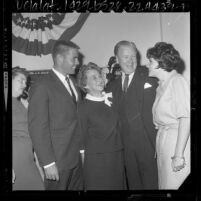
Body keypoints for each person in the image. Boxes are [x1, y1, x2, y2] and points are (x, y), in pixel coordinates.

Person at [28, 40, 83, 190]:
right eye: (74, 58)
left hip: (77, 160)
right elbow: (37, 127)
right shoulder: (42, 85)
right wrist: (48, 163)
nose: (78, 62)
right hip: (57, 162)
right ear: (59, 58)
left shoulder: (72, 82)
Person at [106, 40, 158, 190]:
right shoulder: (111, 86)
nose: (131, 61)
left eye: (134, 56)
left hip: (149, 147)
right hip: (125, 149)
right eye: (126, 57)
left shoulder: (150, 78)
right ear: (117, 59)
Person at [146, 42, 190, 189]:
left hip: (176, 143)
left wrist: (178, 156)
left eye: (151, 61)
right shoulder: (161, 86)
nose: (148, 65)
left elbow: (185, 119)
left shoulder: (177, 81)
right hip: (164, 142)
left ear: (161, 63)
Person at [77, 63, 125, 190]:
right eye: (94, 77)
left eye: (99, 76)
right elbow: (81, 140)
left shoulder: (111, 100)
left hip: (117, 157)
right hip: (97, 162)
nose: (99, 79)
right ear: (85, 84)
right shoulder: (83, 107)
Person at [12, 67, 44, 190]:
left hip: (28, 158)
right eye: (21, 80)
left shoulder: (20, 102)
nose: (24, 85)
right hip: (16, 160)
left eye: (25, 82)